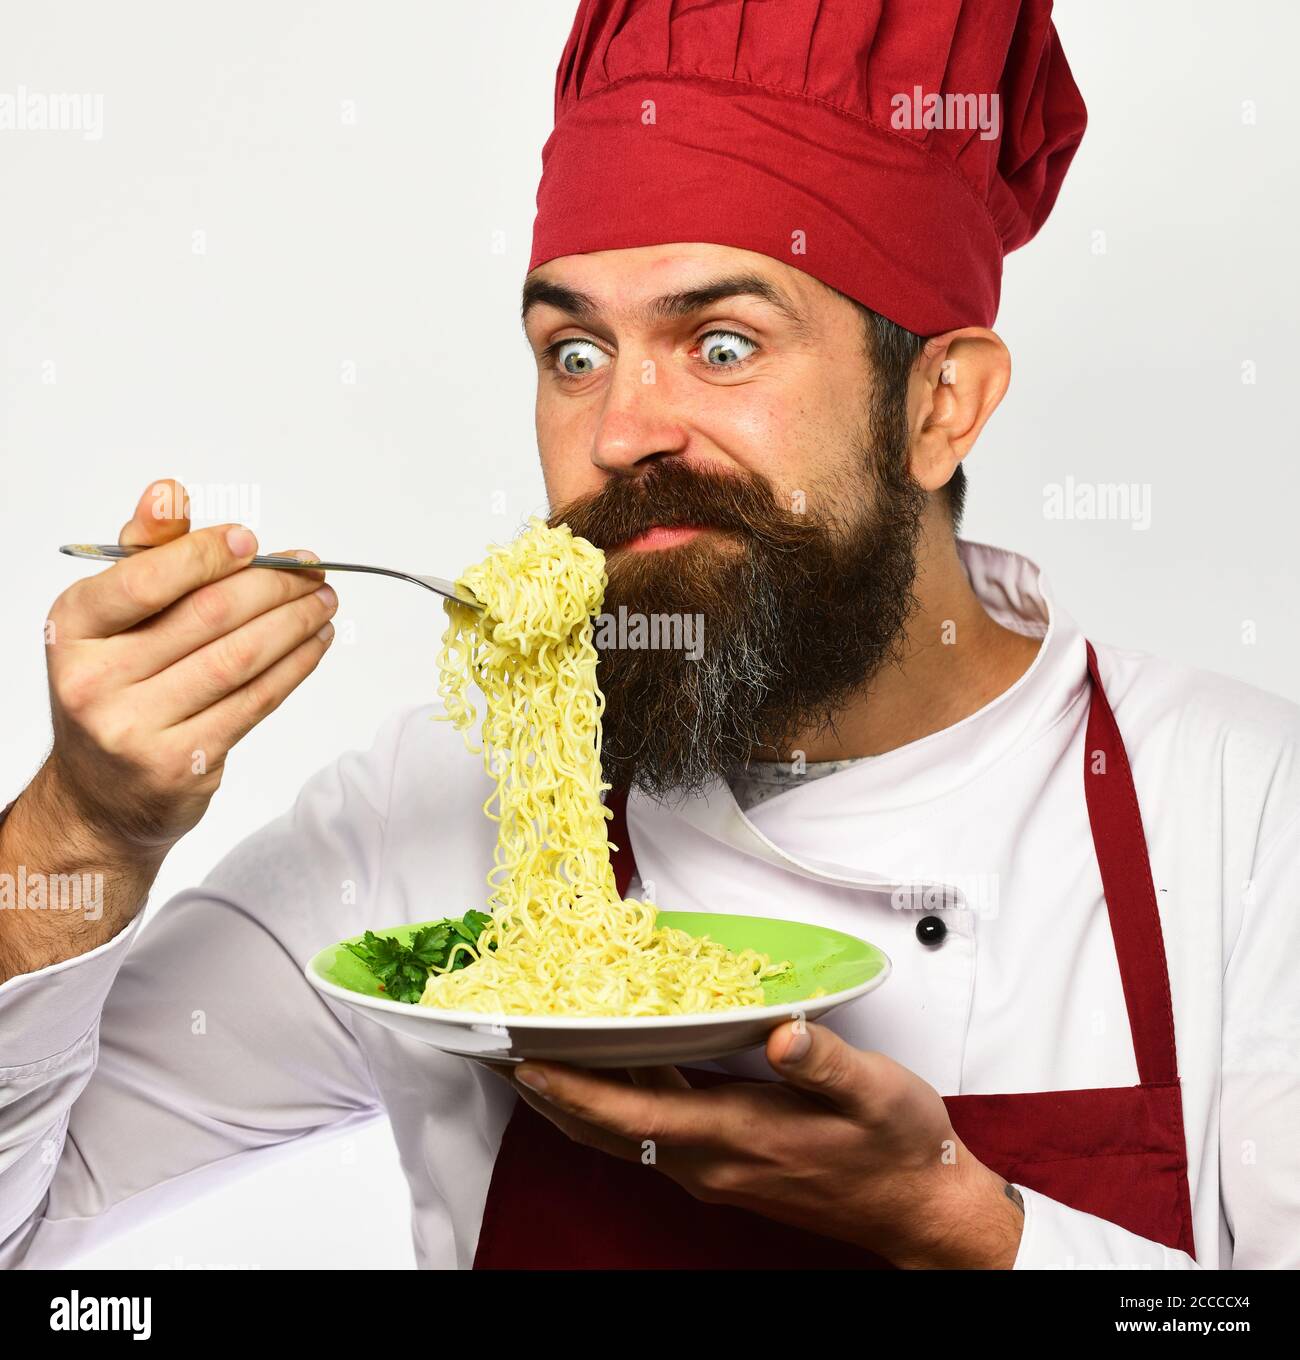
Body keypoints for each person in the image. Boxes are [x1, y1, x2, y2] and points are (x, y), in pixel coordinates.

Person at [1, 0, 1296, 1270]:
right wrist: (85, 828)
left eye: (721, 344)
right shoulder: (433, 819)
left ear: (942, 404)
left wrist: (963, 1231)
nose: (621, 432)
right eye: (573, 353)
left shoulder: (1238, 811)